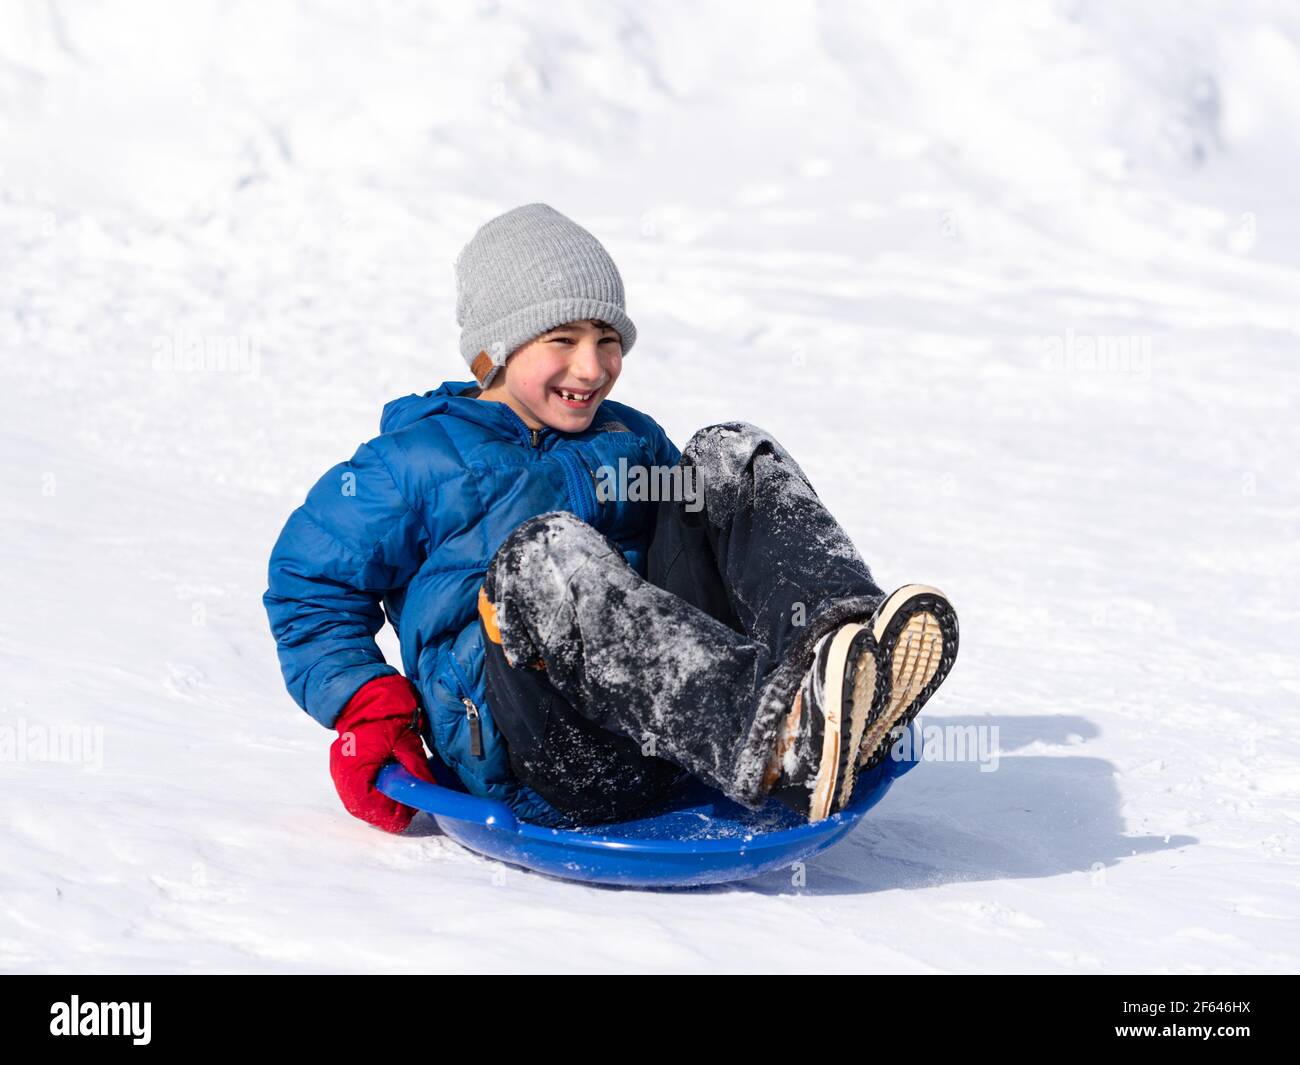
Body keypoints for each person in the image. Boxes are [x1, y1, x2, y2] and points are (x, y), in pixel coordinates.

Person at [262, 203, 959, 834]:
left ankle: (839, 670)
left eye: (609, 339)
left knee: (725, 454)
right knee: (542, 555)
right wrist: (367, 702)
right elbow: (306, 580)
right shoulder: (412, 462)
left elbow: (707, 551)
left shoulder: (626, 439)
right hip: (547, 752)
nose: (592, 367)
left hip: (676, 731)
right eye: (561, 340)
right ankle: (779, 735)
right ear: (496, 350)